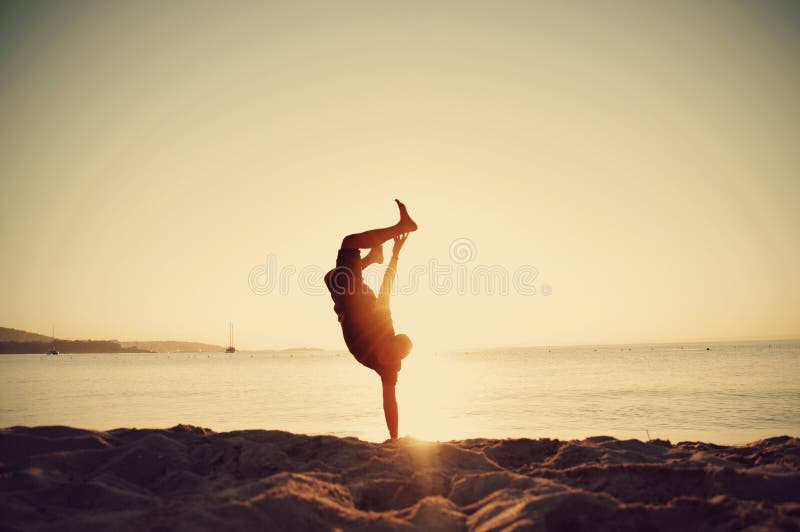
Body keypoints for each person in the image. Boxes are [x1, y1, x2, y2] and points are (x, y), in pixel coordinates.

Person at [324, 199, 418, 439]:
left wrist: (394, 438)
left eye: (393, 356)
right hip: (357, 298)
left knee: (330, 277)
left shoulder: (389, 370)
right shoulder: (384, 324)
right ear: (391, 339)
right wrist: (395, 255)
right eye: (391, 348)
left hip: (346, 305)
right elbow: (387, 285)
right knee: (349, 243)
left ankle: (372, 258)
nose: (387, 355)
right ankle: (401, 227)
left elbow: (390, 403)